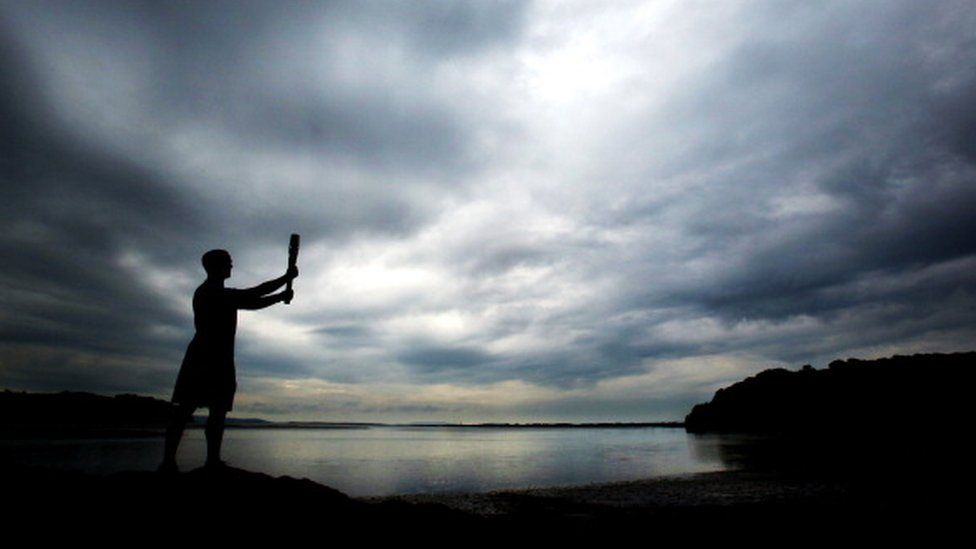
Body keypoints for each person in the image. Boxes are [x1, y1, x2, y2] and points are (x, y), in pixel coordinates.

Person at [159, 249, 298, 472]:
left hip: (220, 358)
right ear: (217, 266)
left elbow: (250, 302)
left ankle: (211, 461)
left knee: (218, 410)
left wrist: (280, 296)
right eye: (229, 263)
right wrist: (285, 279)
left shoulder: (220, 293)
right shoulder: (209, 292)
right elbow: (251, 295)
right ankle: (169, 462)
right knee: (186, 409)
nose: (232, 266)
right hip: (203, 357)